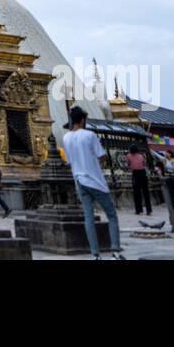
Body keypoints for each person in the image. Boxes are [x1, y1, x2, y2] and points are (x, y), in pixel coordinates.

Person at [62, 106, 124, 259]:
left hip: (79, 181)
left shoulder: (66, 138)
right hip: (95, 181)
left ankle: (95, 254)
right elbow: (102, 156)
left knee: (88, 217)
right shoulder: (90, 135)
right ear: (83, 120)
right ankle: (115, 251)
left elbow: (69, 160)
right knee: (111, 215)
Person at [126, 142, 153, 215]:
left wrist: (130, 167)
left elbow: (128, 165)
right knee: (145, 192)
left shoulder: (128, 156)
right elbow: (144, 164)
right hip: (143, 173)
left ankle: (138, 210)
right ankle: (148, 210)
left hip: (135, 174)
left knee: (136, 192)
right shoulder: (141, 156)